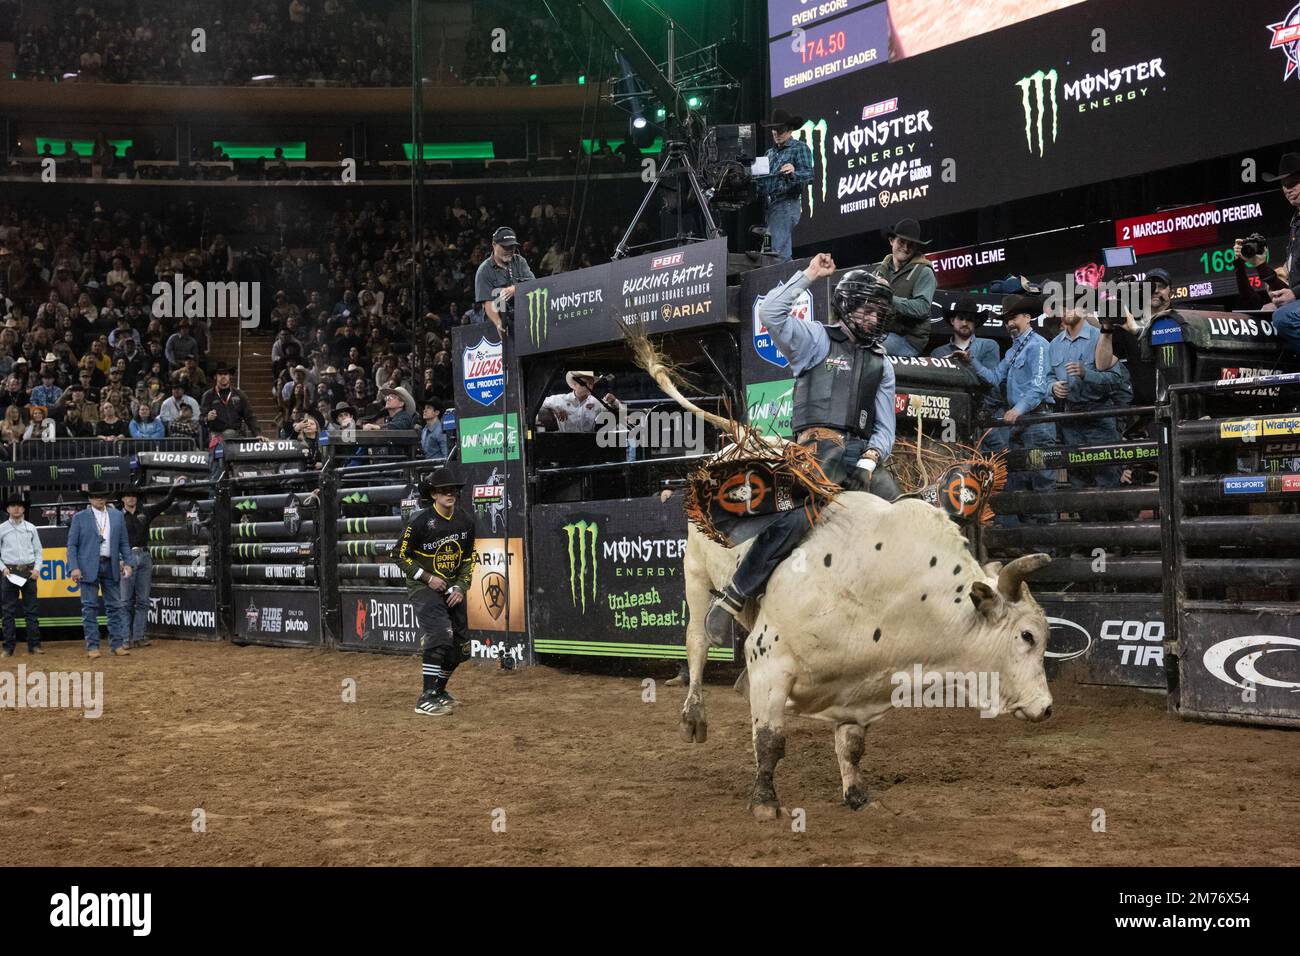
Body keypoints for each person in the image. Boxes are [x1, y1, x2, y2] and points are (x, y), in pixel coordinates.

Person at [705, 253, 900, 644]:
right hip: (816, 449)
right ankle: (735, 594)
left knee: (902, 510)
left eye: (879, 313)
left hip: (860, 454)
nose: (874, 319)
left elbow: (885, 429)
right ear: (848, 308)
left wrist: (869, 460)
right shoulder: (814, 339)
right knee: (801, 514)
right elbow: (771, 315)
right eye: (868, 311)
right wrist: (809, 274)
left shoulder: (884, 365)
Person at [396, 467, 475, 717]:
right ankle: (425, 697)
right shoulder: (420, 522)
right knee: (440, 634)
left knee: (461, 648)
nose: (450, 493)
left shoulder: (466, 521)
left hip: (452, 587)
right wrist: (427, 578)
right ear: (433, 495)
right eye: (444, 490)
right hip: (423, 587)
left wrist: (461, 586)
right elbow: (399, 555)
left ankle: (438, 691)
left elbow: (468, 559)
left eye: (453, 490)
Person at [972, 294, 1057, 524]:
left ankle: (1047, 545)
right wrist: (971, 361)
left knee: (1041, 481)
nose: (1009, 324)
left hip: (1037, 421)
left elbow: (1039, 386)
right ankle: (1029, 541)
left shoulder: (1038, 345)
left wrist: (1017, 409)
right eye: (1006, 319)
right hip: (1020, 425)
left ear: (1028, 318)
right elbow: (993, 377)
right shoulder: (1012, 352)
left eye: (1014, 318)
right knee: (1019, 481)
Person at [1048, 308, 1131, 494]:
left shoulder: (1101, 337)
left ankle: (1115, 523)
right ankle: (1086, 522)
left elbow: (1116, 379)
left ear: (1083, 310)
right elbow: (1048, 376)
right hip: (1070, 420)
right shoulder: (1054, 345)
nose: (1066, 310)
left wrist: (1087, 374)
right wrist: (1052, 386)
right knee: (1078, 482)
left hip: (1099, 416)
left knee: (1107, 479)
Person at [66, 483, 134, 658]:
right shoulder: (80, 517)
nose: (99, 498)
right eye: (96, 496)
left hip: (111, 564)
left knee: (115, 607)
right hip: (88, 567)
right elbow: (72, 545)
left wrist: (128, 563)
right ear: (89, 498)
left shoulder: (117, 516)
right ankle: (93, 647)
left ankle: (117, 645)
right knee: (89, 607)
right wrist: (73, 567)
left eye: (102, 495)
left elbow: (124, 543)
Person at [932, 297, 1006, 449]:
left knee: (1000, 464)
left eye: (970, 319)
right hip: (953, 418)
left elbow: (992, 381)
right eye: (961, 318)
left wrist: (970, 360)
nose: (965, 323)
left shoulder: (989, 345)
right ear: (953, 321)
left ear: (976, 323)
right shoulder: (939, 352)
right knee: (955, 463)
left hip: (988, 416)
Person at [118, 479, 182, 648]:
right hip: (127, 557)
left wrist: (174, 489)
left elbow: (164, 504)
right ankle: (126, 638)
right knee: (126, 601)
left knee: (142, 600)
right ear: (123, 499)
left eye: (134, 496)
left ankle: (137, 637)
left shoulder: (145, 511)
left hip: (144, 556)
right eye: (128, 496)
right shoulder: (117, 517)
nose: (131, 499)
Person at [871, 219, 937, 356]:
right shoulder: (880, 270)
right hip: (881, 333)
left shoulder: (924, 271)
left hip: (908, 340)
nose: (906, 248)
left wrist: (887, 297)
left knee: (870, 348)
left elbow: (922, 308)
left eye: (911, 245)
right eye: (901, 242)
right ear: (891, 241)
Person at [756, 109, 814, 262]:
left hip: (787, 204)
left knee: (770, 252)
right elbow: (762, 185)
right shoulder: (769, 154)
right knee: (781, 255)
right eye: (773, 129)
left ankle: (770, 281)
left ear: (789, 129)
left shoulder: (799, 147)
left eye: (779, 129)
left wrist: (793, 173)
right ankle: (788, 279)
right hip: (773, 208)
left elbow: (809, 175)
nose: (775, 132)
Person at [1260, 153, 1300, 354]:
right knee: (1268, 313)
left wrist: (1295, 294)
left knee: (1283, 317)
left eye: (1294, 183)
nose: (1288, 189)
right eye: (1284, 184)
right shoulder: (1296, 222)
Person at [0, 493, 43, 657]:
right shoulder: (1, 529)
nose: (16, 508)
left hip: (28, 573)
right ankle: (8, 647)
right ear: (7, 509)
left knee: (31, 611)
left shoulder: (31, 528)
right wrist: (3, 568)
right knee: (8, 612)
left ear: (24, 508)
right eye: (12, 505)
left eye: (19, 505)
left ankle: (34, 645)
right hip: (9, 573)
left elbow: (38, 551)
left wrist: (37, 569)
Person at [474, 226, 535, 335]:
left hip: (523, 320)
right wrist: (498, 323)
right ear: (494, 245)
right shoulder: (484, 271)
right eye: (505, 247)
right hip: (497, 326)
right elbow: (487, 303)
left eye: (512, 247)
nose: (510, 251)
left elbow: (534, 284)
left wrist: (515, 289)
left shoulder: (520, 261)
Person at [537, 371, 621, 433]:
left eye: (591, 383)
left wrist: (613, 401)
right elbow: (537, 405)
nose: (588, 386)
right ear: (574, 385)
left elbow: (619, 410)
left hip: (587, 444)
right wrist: (554, 411)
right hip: (564, 443)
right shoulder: (560, 400)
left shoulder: (596, 402)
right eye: (584, 384)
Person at [200, 362, 262, 443]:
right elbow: (201, 419)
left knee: (232, 435)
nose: (223, 376)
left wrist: (257, 434)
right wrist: (207, 418)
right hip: (216, 435)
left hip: (237, 435)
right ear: (215, 376)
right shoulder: (208, 395)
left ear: (230, 376)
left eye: (225, 374)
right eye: (220, 374)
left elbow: (250, 416)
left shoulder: (239, 394)